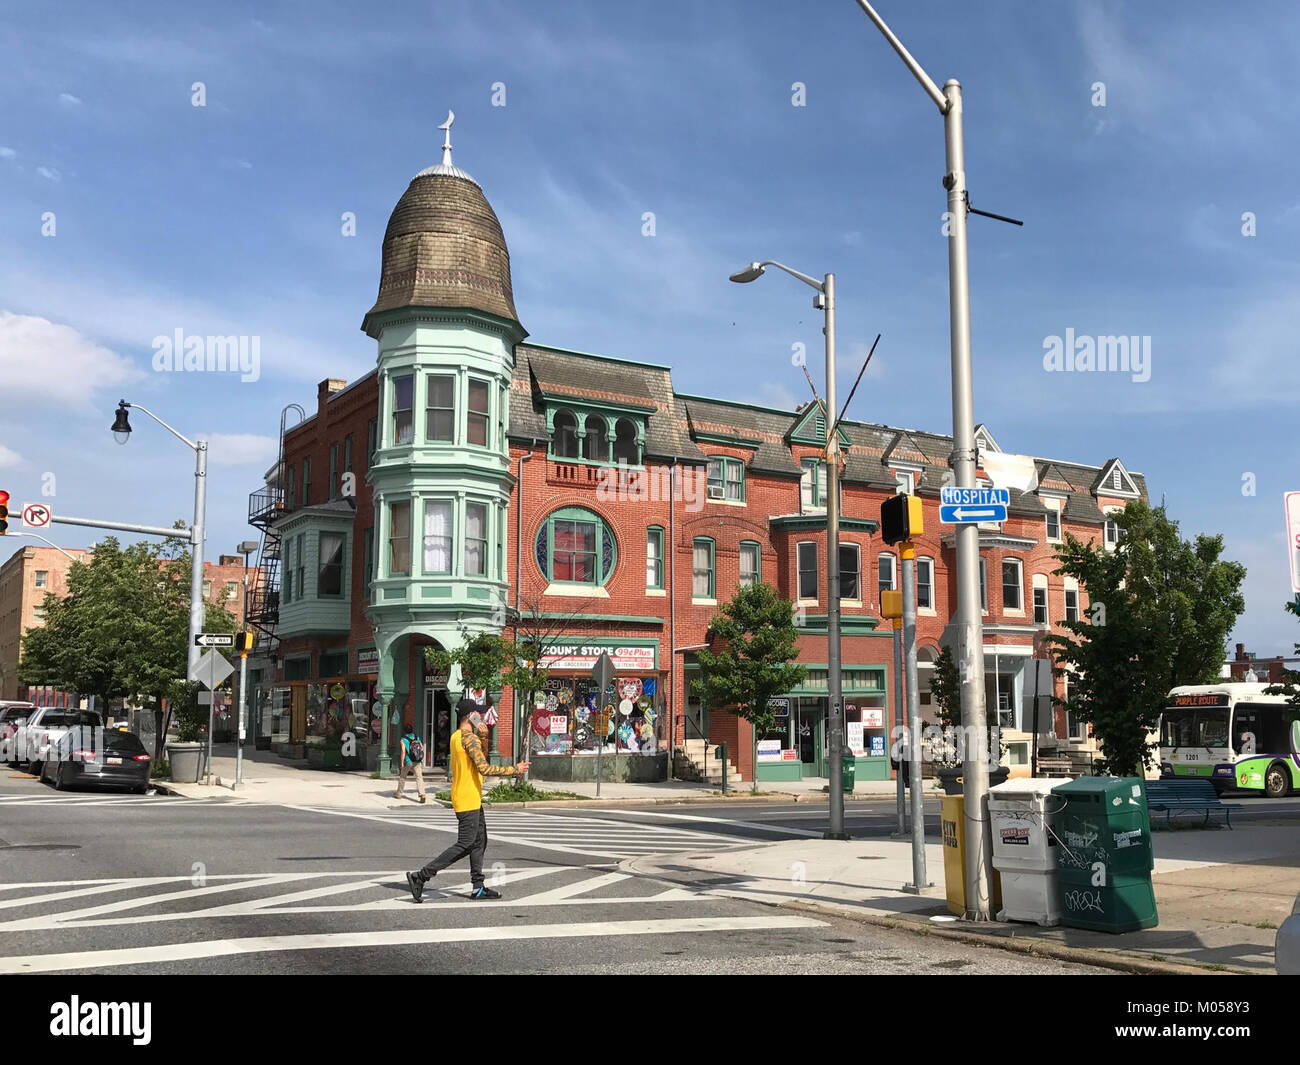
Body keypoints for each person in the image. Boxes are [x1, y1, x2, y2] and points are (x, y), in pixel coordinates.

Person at [406, 705, 528, 902]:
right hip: (468, 798)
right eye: (477, 713)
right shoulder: (469, 738)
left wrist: (484, 736)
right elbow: (484, 768)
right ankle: (420, 876)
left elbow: (475, 758)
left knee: (480, 841)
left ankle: (477, 887)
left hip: (466, 795)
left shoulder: (457, 736)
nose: (480, 716)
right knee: (465, 844)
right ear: (470, 715)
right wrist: (515, 769)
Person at [394, 721, 426, 804]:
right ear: (412, 730)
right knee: (419, 777)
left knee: (403, 777)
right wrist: (421, 759)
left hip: (408, 760)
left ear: (404, 731)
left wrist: (401, 763)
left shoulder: (403, 739)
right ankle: (422, 794)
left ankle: (399, 793)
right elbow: (421, 748)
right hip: (417, 760)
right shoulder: (417, 737)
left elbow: (403, 751)